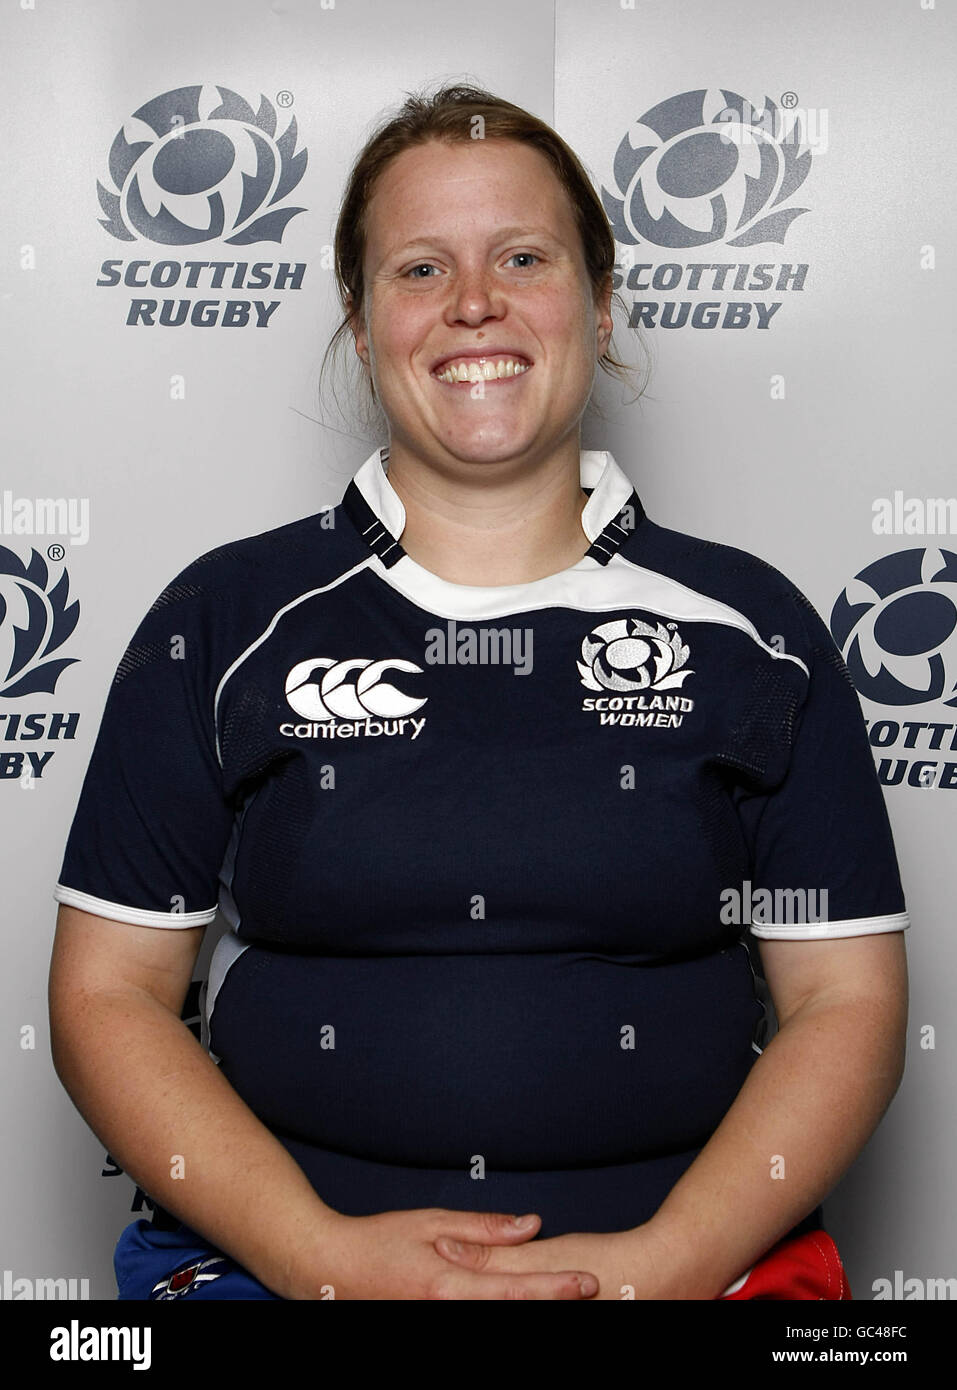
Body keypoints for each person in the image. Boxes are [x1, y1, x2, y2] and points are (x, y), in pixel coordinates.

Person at [48, 82, 908, 1301]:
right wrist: (318, 1257)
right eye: (417, 269)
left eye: (522, 256)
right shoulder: (222, 621)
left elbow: (846, 1003)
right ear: (359, 323)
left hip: (704, 1272)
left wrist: (664, 1265)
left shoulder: (753, 630)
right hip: (264, 1268)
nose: (472, 304)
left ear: (602, 303)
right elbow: (105, 992)